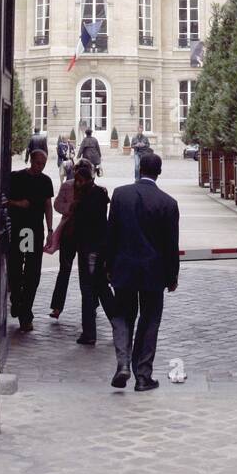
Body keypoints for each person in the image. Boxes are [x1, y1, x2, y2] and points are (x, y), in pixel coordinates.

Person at [105, 152, 179, 391]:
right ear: (159, 172)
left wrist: (108, 266)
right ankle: (143, 375)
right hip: (154, 272)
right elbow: (171, 245)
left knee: (123, 317)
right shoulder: (168, 203)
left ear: (139, 169)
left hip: (124, 268)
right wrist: (172, 276)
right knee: (149, 322)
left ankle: (123, 363)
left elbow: (111, 235)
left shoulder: (120, 195)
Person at [5, 148, 53, 332]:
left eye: (43, 164)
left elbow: (48, 205)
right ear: (31, 161)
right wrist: (19, 203)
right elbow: (5, 201)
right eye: (37, 163)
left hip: (35, 229)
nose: (40, 167)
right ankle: (17, 300)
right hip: (21, 229)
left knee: (33, 272)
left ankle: (26, 312)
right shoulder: (17, 178)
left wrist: (50, 229)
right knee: (17, 267)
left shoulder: (45, 181)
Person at [66, 160, 113, 345]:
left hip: (89, 249)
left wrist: (75, 205)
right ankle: (119, 324)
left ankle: (89, 332)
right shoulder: (100, 193)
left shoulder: (86, 197)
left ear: (84, 180)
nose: (76, 184)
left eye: (78, 180)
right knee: (101, 288)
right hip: (98, 247)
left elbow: (83, 224)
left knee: (89, 289)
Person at [47, 171, 76, 320]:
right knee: (64, 270)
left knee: (90, 274)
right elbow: (57, 204)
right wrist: (69, 208)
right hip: (68, 232)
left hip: (85, 235)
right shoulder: (67, 186)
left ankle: (93, 304)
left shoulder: (95, 189)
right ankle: (57, 307)